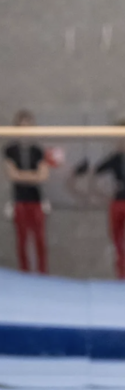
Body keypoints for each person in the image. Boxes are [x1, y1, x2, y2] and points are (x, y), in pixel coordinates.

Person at [69, 120, 125, 280]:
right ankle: (122, 277)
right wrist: (101, 195)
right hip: (119, 202)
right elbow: (93, 174)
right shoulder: (115, 158)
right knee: (119, 243)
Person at [3, 110, 49, 274]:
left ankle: (42, 272)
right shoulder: (10, 150)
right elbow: (12, 175)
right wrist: (32, 175)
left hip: (36, 199)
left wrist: (23, 175)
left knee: (40, 240)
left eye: (28, 127)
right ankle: (24, 273)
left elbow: (42, 176)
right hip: (19, 200)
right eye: (21, 127)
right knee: (22, 240)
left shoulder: (38, 150)